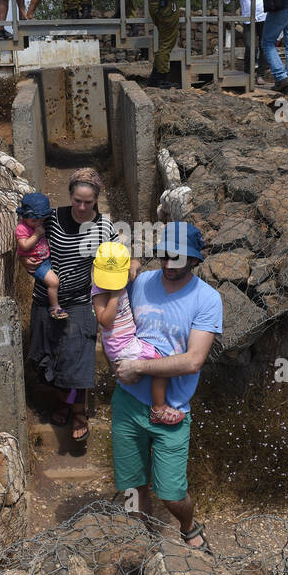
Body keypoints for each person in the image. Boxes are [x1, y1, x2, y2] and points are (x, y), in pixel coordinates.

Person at [112, 222, 223, 552]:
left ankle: (188, 526)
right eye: (164, 255)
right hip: (128, 402)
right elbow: (116, 323)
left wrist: (139, 367)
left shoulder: (207, 299)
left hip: (172, 410)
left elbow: (193, 361)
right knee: (133, 485)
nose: (169, 263)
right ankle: (141, 542)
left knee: (171, 493)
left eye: (178, 257)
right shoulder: (143, 282)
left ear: (194, 260)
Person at [25, 167, 114, 444]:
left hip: (78, 301)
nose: (82, 207)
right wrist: (26, 261)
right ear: (70, 195)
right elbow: (25, 242)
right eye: (77, 200)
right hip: (45, 299)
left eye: (88, 202)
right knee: (49, 358)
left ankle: (78, 411)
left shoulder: (104, 227)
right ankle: (62, 403)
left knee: (76, 360)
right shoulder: (51, 219)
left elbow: (118, 256)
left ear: (96, 200)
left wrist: (131, 266)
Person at [91, 241, 182, 425]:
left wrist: (134, 264)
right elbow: (105, 321)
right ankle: (158, 409)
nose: (111, 282)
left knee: (153, 367)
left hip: (130, 342)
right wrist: (115, 294)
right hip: (121, 347)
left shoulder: (121, 278)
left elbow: (133, 265)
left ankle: (149, 401)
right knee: (163, 365)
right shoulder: (100, 290)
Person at [16, 193, 66, 319]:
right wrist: (37, 234)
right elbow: (24, 246)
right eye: (34, 220)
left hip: (44, 258)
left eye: (41, 220)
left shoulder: (37, 222)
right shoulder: (22, 228)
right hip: (36, 264)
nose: (38, 223)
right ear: (24, 216)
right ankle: (54, 307)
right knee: (54, 282)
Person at [224, 0, 269, 79]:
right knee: (249, 46)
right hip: (248, 17)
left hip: (264, 16)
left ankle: (261, 74)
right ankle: (248, 74)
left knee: (264, 46)